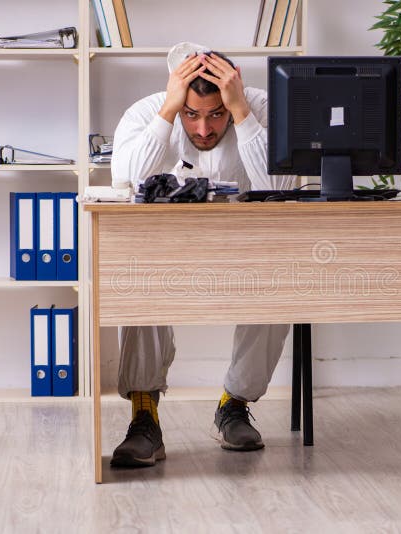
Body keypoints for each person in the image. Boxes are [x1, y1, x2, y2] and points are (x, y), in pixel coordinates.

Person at [109, 43, 296, 468]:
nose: (205, 129)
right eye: (193, 115)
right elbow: (126, 177)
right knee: (138, 277)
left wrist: (243, 113)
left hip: (247, 250)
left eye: (216, 114)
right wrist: (171, 111)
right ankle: (144, 415)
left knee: (280, 277)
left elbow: (282, 183)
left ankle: (234, 403)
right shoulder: (149, 111)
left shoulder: (258, 109)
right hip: (168, 250)